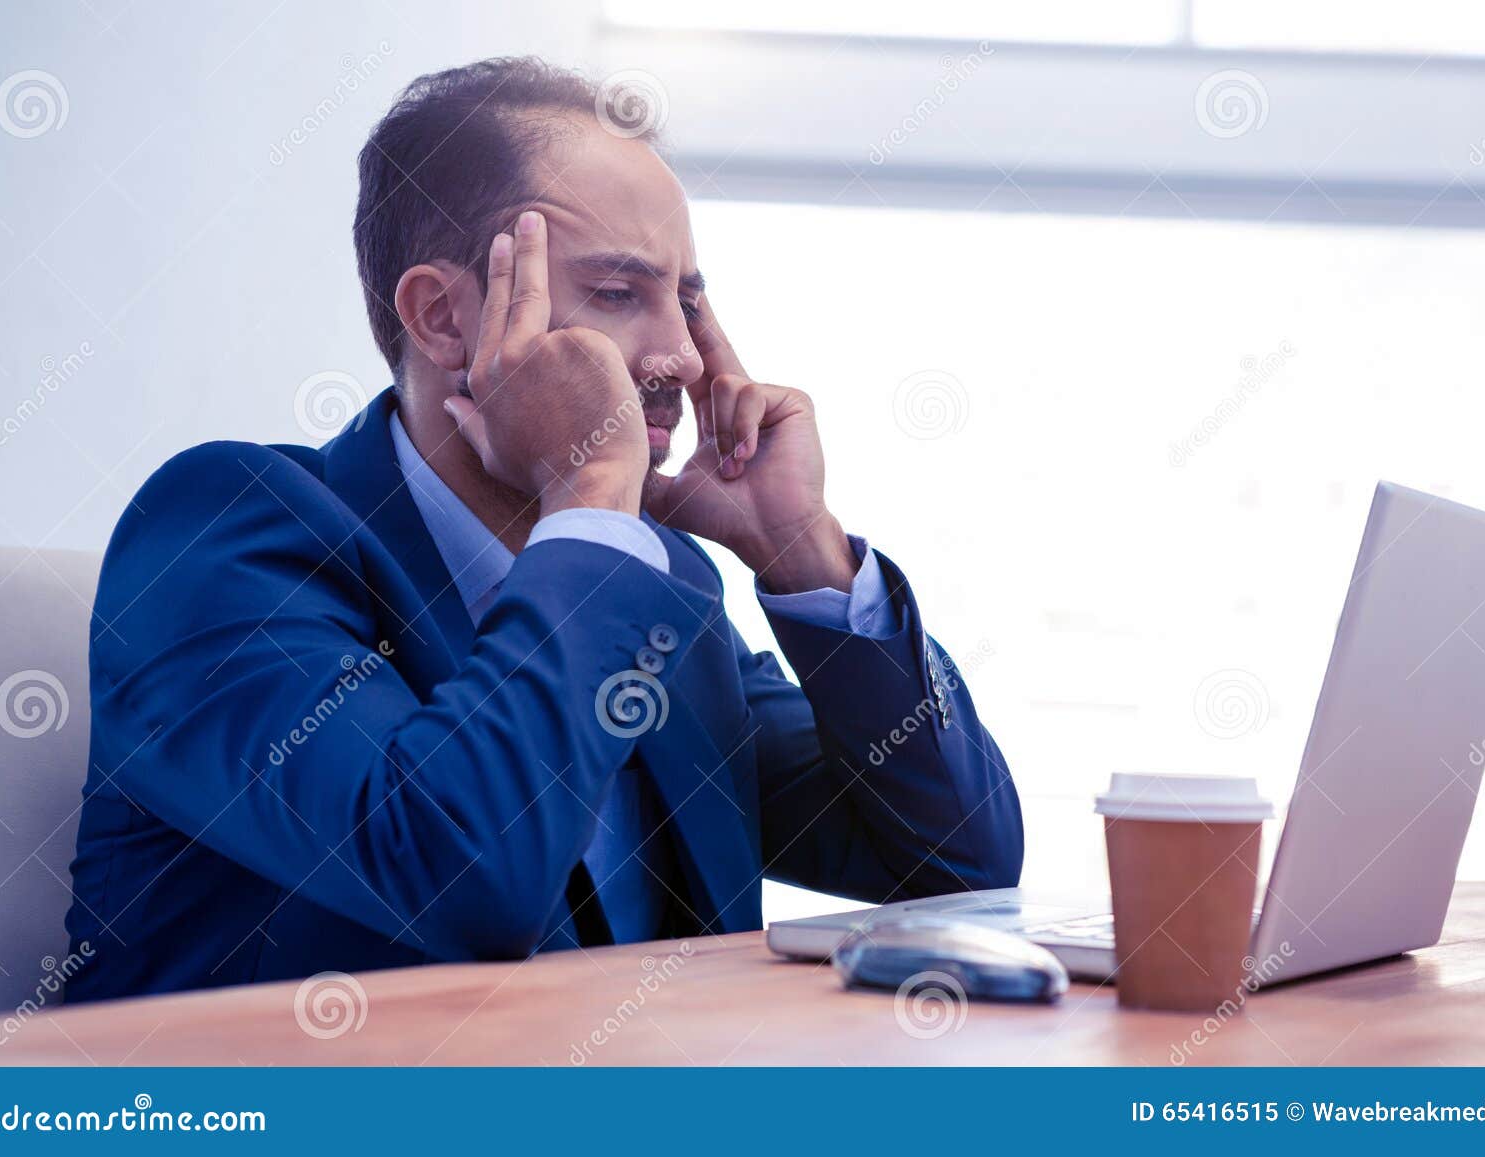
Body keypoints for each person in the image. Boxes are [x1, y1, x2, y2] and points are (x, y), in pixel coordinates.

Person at [64, 57, 1021, 1001]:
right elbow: (460, 874)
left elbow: (957, 859)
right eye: (619, 294)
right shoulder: (225, 528)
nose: (685, 356)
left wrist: (799, 551)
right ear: (444, 320)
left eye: (687, 300)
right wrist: (596, 495)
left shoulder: (661, 587)